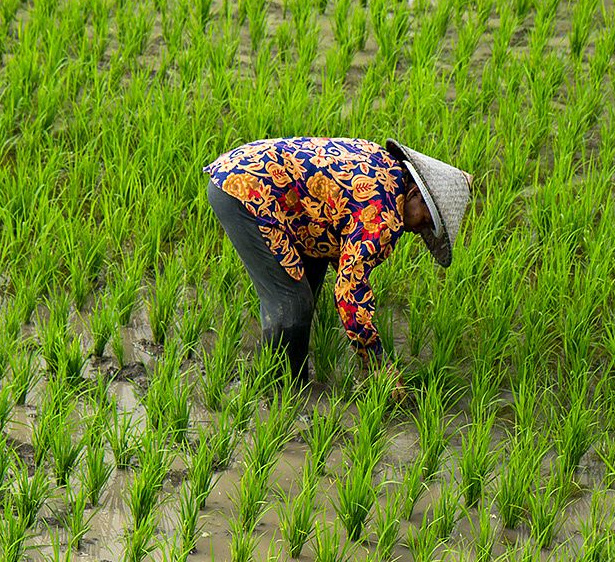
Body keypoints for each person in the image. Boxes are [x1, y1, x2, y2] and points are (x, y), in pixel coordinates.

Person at [203, 136, 473, 395]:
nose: (420, 230)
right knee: (293, 303)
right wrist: (376, 362)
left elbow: (339, 224)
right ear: (414, 193)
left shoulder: (386, 166)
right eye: (426, 220)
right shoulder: (382, 216)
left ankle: (281, 363)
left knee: (309, 278)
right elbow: (349, 294)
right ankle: (282, 395)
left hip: (254, 176)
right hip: (246, 193)